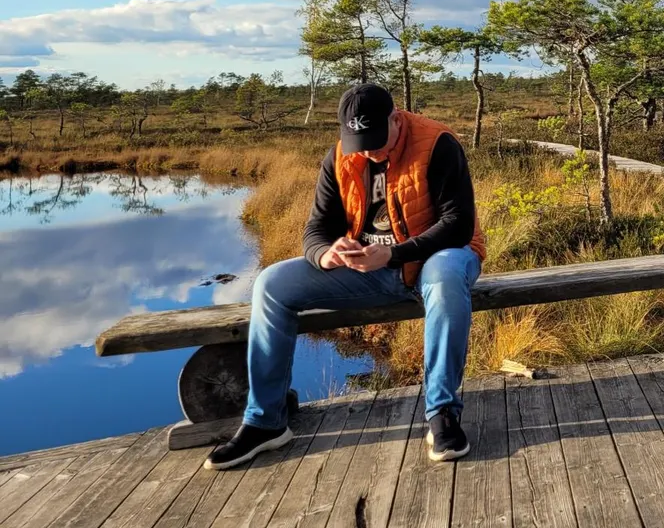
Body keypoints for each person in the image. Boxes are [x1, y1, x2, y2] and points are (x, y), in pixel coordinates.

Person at [206, 83, 484, 470]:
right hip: (369, 269)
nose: (368, 151)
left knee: (445, 276)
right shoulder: (339, 157)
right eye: (359, 141)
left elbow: (458, 225)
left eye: (375, 139)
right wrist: (326, 254)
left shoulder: (437, 143)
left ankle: (442, 414)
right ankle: (266, 421)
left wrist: (394, 253)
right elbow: (315, 231)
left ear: (396, 118)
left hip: (434, 261)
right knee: (271, 284)